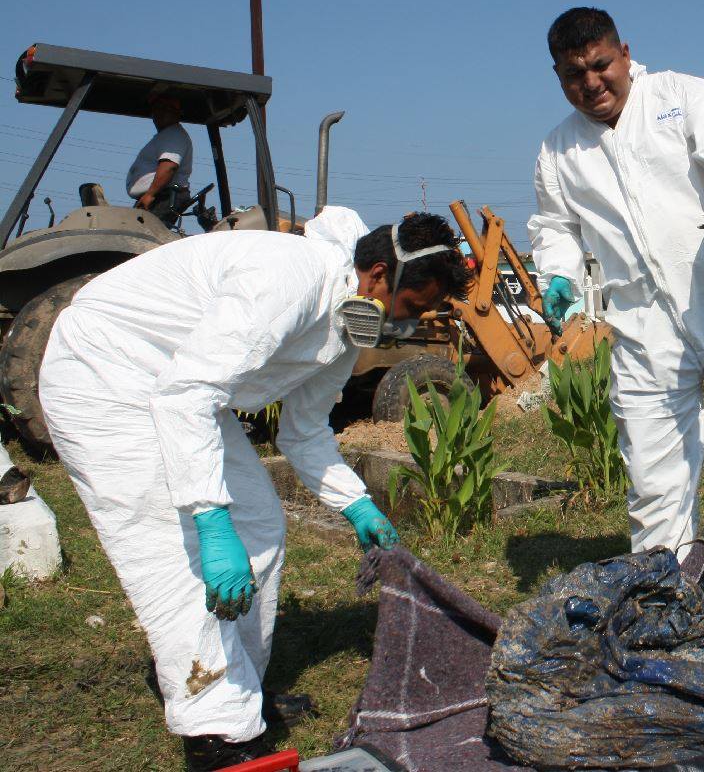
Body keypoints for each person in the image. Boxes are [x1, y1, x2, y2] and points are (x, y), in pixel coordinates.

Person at [39, 208, 469, 769]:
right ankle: (218, 737)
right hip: (106, 374)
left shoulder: (344, 327)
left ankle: (238, 690)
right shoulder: (288, 278)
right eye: (410, 309)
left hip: (181, 388)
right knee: (177, 553)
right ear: (379, 276)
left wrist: (356, 503)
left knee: (261, 524)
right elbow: (185, 395)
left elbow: (304, 431)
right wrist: (209, 519)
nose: (406, 325)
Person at [528, 7, 704, 555]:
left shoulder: (683, 97)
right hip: (641, 326)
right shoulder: (558, 150)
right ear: (558, 78)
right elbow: (554, 226)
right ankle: (667, 586)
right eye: (573, 74)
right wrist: (560, 275)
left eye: (600, 65)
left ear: (626, 54)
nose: (590, 84)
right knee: (652, 474)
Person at [128, 94, 195, 224]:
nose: (160, 113)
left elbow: (169, 166)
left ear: (177, 113)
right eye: (157, 108)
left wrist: (149, 195)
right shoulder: (166, 135)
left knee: (145, 236)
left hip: (164, 197)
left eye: (166, 109)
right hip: (158, 196)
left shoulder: (174, 135)